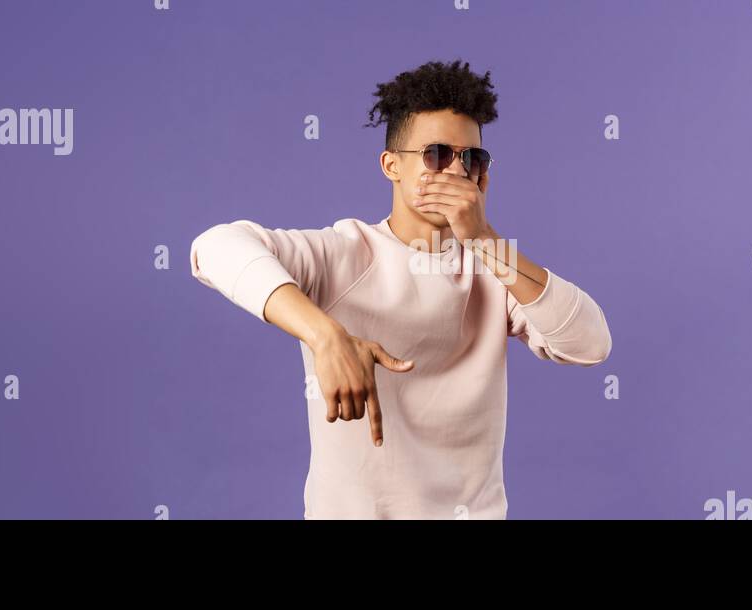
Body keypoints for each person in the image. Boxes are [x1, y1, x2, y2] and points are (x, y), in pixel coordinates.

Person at [190, 59, 612, 519]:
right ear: (391, 165)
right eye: (437, 154)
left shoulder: (494, 269)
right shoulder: (345, 251)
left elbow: (590, 344)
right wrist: (325, 336)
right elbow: (214, 247)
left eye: (472, 159)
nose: (456, 172)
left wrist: (484, 240)